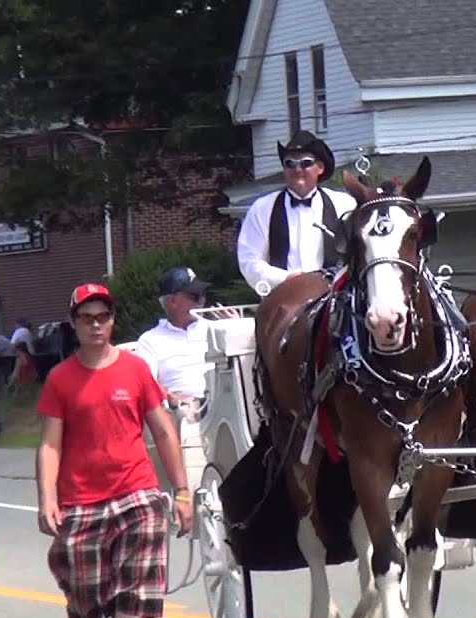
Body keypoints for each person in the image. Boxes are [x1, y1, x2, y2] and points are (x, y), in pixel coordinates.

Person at [35, 282, 192, 618]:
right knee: (83, 600)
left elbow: (162, 430)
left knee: (132, 594)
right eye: (86, 318)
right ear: (74, 325)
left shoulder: (136, 370)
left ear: (112, 321)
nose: (96, 325)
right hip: (81, 502)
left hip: (136, 494)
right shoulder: (61, 379)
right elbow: (49, 445)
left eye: (102, 317)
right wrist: (47, 497)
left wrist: (180, 491)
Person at [235, 129, 356, 296]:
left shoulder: (345, 205)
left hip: (334, 299)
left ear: (320, 167)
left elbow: (360, 253)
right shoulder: (262, 208)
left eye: (306, 163)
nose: (297, 169)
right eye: (290, 163)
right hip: (283, 298)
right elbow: (249, 260)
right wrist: (286, 278)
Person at [133, 266, 217, 496]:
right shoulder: (151, 340)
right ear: (172, 301)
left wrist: (234, 328)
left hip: (220, 400)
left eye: (201, 295)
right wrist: (170, 396)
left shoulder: (214, 328)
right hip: (182, 409)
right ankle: (184, 493)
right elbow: (145, 380)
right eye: (193, 296)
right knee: (177, 414)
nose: (201, 301)